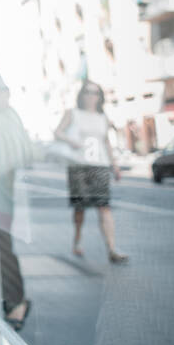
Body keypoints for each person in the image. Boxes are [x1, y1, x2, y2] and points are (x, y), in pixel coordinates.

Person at [0, 61, 34, 330]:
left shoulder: (3, 113)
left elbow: (1, 96)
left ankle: (17, 301)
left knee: (0, 239)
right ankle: (10, 299)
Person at [54, 81, 128, 264]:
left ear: (100, 97)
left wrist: (115, 165)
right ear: (81, 95)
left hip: (99, 165)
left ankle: (111, 249)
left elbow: (106, 142)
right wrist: (70, 141)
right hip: (78, 165)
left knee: (104, 207)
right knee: (80, 208)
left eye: (95, 93)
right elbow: (57, 132)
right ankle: (77, 239)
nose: (91, 96)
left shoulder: (102, 117)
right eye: (87, 92)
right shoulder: (73, 113)